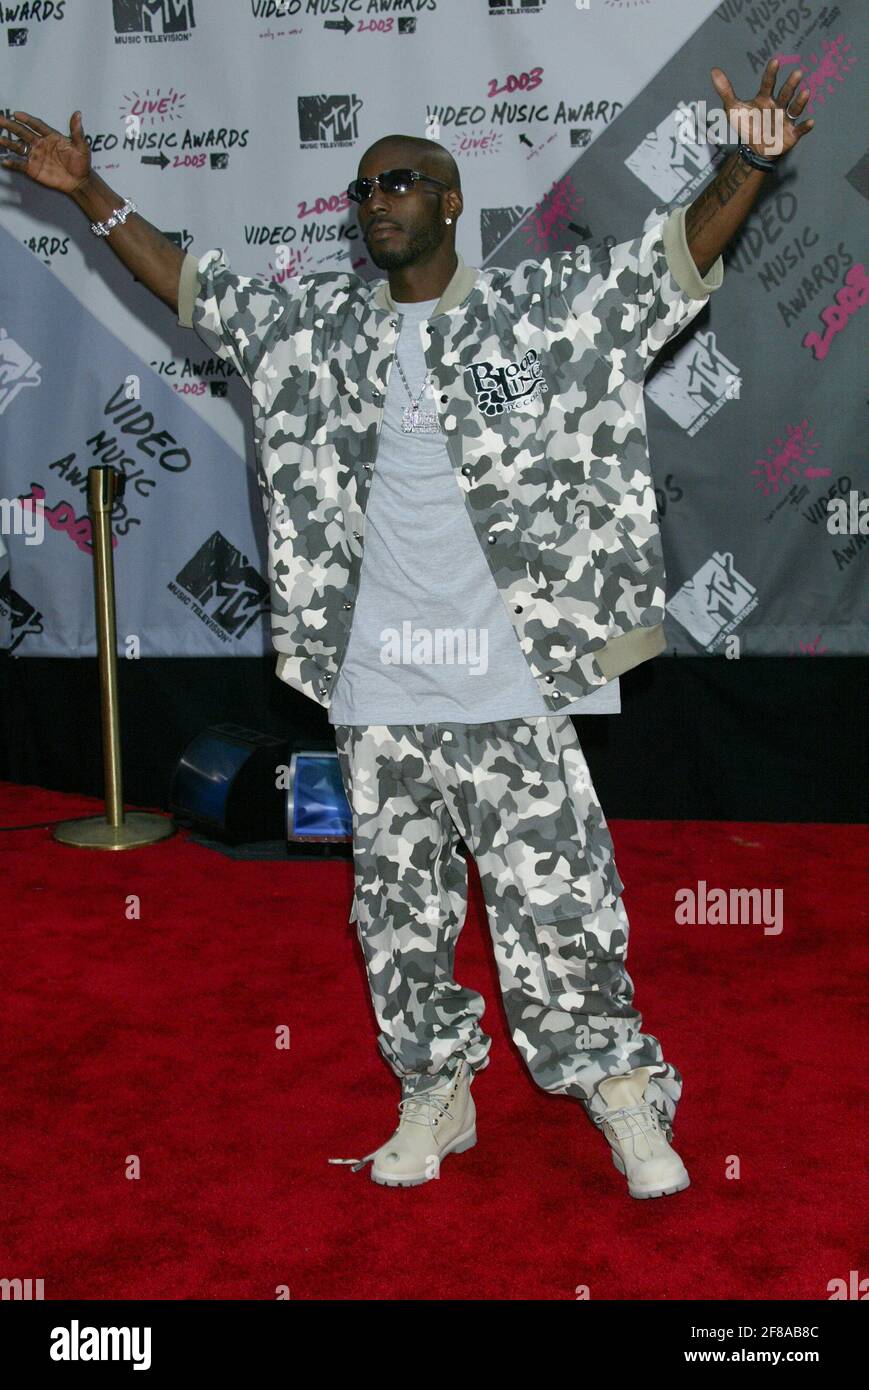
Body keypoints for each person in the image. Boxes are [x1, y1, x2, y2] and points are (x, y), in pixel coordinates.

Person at [0, 64, 812, 1199]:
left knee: (562, 911)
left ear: (446, 201)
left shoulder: (541, 312)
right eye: (358, 189)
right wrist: (90, 194)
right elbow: (193, 287)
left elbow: (669, 262)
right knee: (395, 918)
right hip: (375, 686)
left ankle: (621, 1093)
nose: (372, 200)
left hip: (512, 679)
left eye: (397, 182)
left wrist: (749, 162)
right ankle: (436, 1089)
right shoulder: (316, 331)